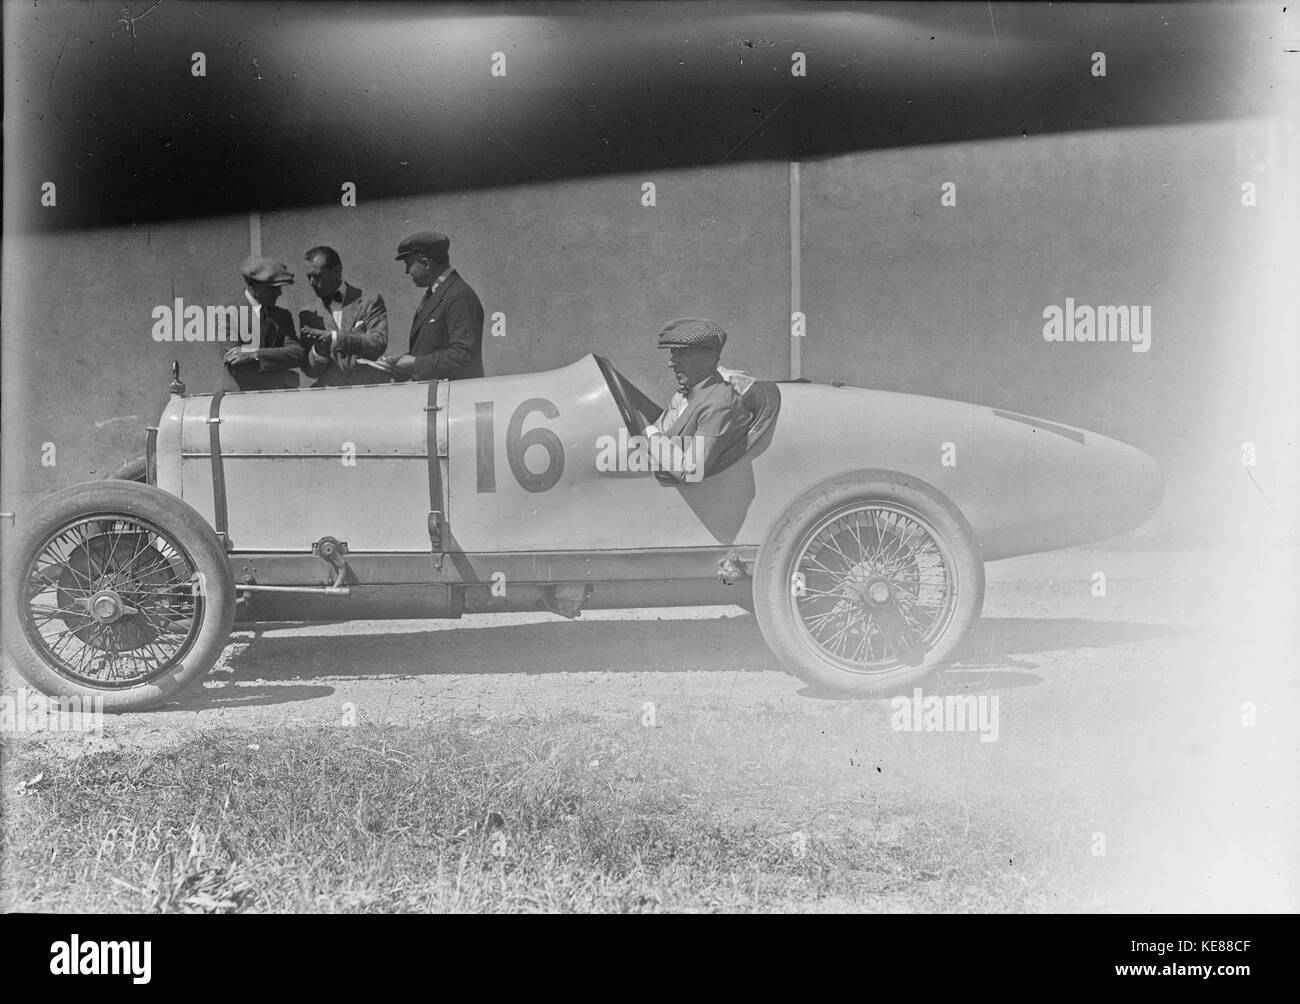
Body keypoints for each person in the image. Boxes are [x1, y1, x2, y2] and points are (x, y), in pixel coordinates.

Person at [643, 318, 751, 483]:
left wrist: (648, 433)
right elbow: (663, 434)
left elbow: (691, 471)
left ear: (709, 358)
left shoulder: (719, 403)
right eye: (672, 354)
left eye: (681, 354)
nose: (671, 363)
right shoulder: (684, 395)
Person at [379, 230, 485, 381]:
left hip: (455, 398)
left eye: (409, 264)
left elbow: (464, 355)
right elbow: (430, 350)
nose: (406, 271)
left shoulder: (459, 296)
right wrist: (399, 363)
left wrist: (415, 363)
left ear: (426, 263)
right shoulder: (439, 294)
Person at [297, 246, 390, 387]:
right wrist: (319, 352)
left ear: (337, 271)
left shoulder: (369, 301)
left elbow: (378, 343)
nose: (312, 283)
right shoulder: (308, 313)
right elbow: (310, 371)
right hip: (330, 396)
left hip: (367, 390)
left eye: (317, 276)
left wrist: (335, 338)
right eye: (308, 277)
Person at [219, 256, 305, 391]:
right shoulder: (228, 313)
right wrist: (279, 360)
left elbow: (297, 353)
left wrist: (253, 354)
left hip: (275, 399)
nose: (279, 292)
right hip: (239, 399)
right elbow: (235, 361)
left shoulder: (282, 316)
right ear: (251, 285)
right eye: (273, 288)